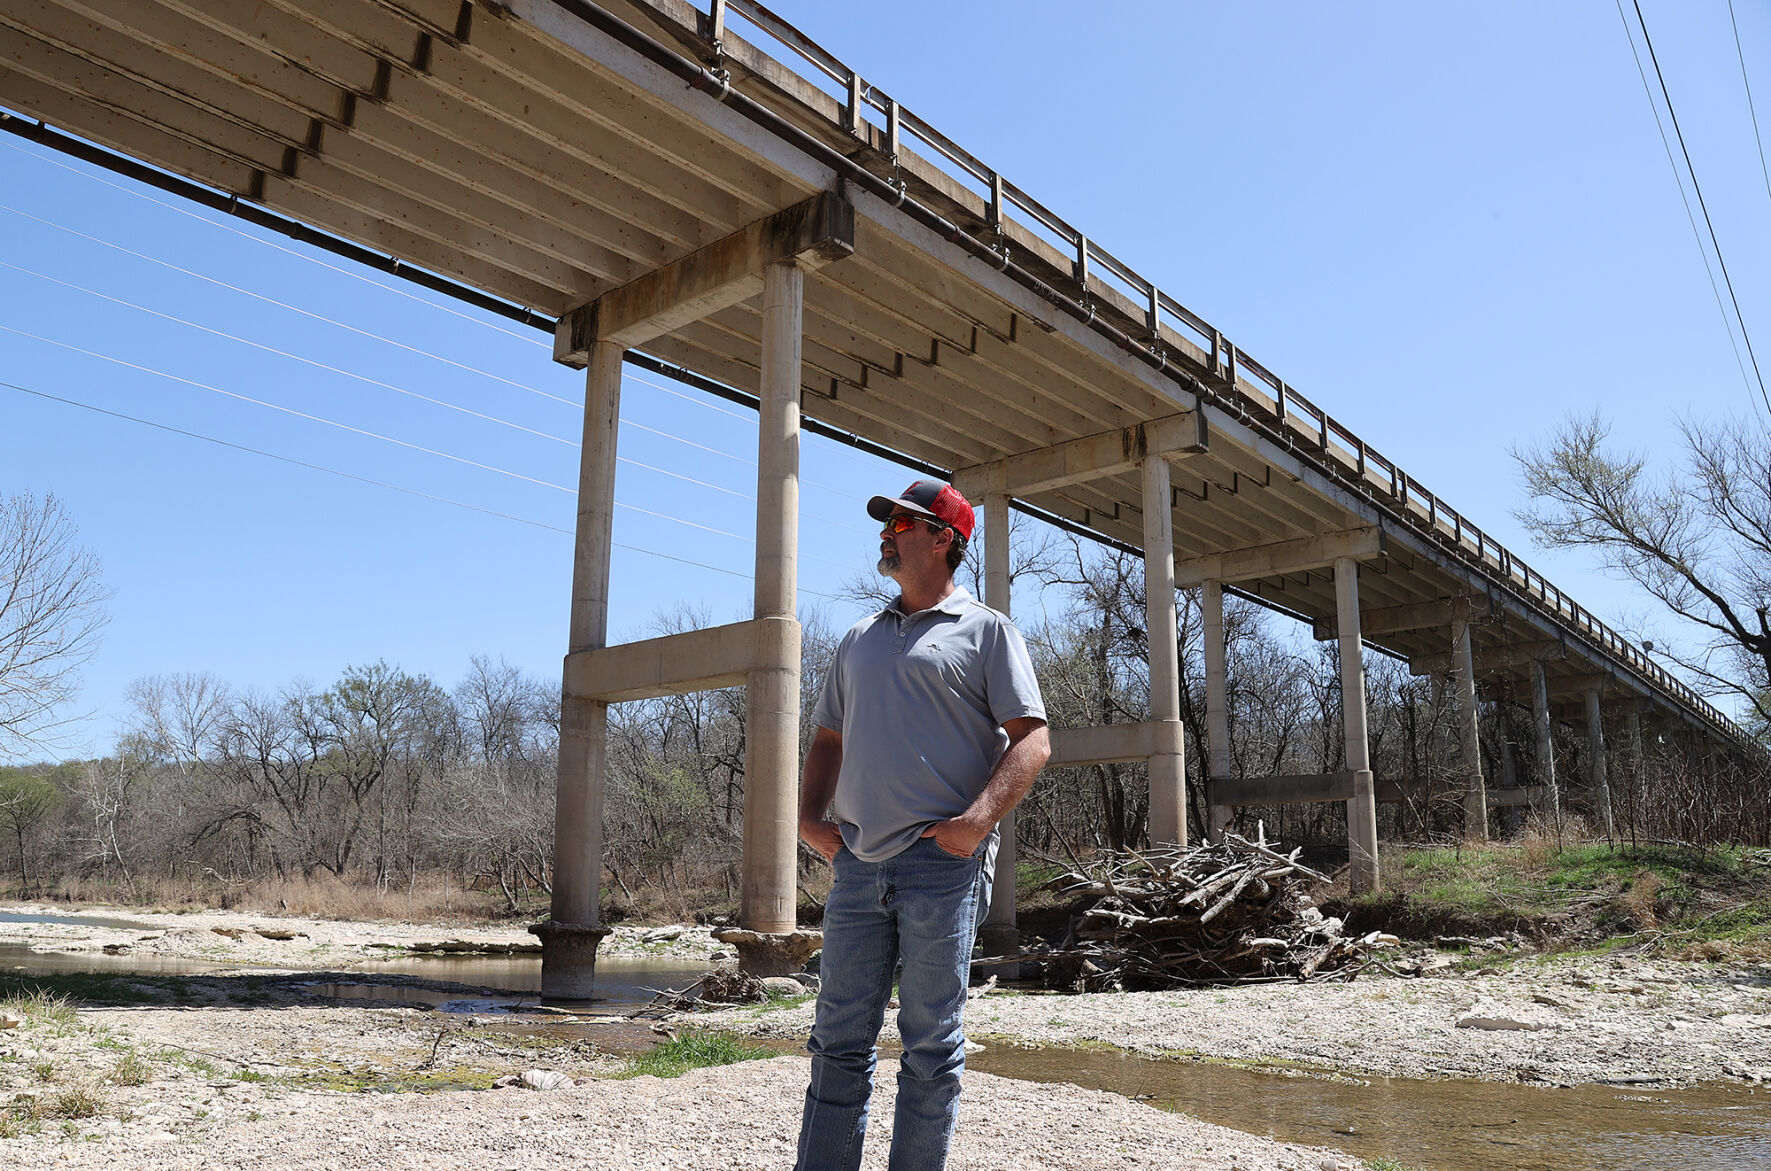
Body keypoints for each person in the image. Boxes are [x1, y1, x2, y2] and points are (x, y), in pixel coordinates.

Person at [795, 478, 1050, 1171]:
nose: (887, 533)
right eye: (887, 525)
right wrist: (804, 817)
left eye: (902, 524)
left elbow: (1032, 740)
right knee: (837, 1041)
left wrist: (975, 821)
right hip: (857, 866)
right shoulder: (858, 638)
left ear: (944, 537)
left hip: (941, 866)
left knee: (930, 1046)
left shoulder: (987, 629)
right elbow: (827, 739)